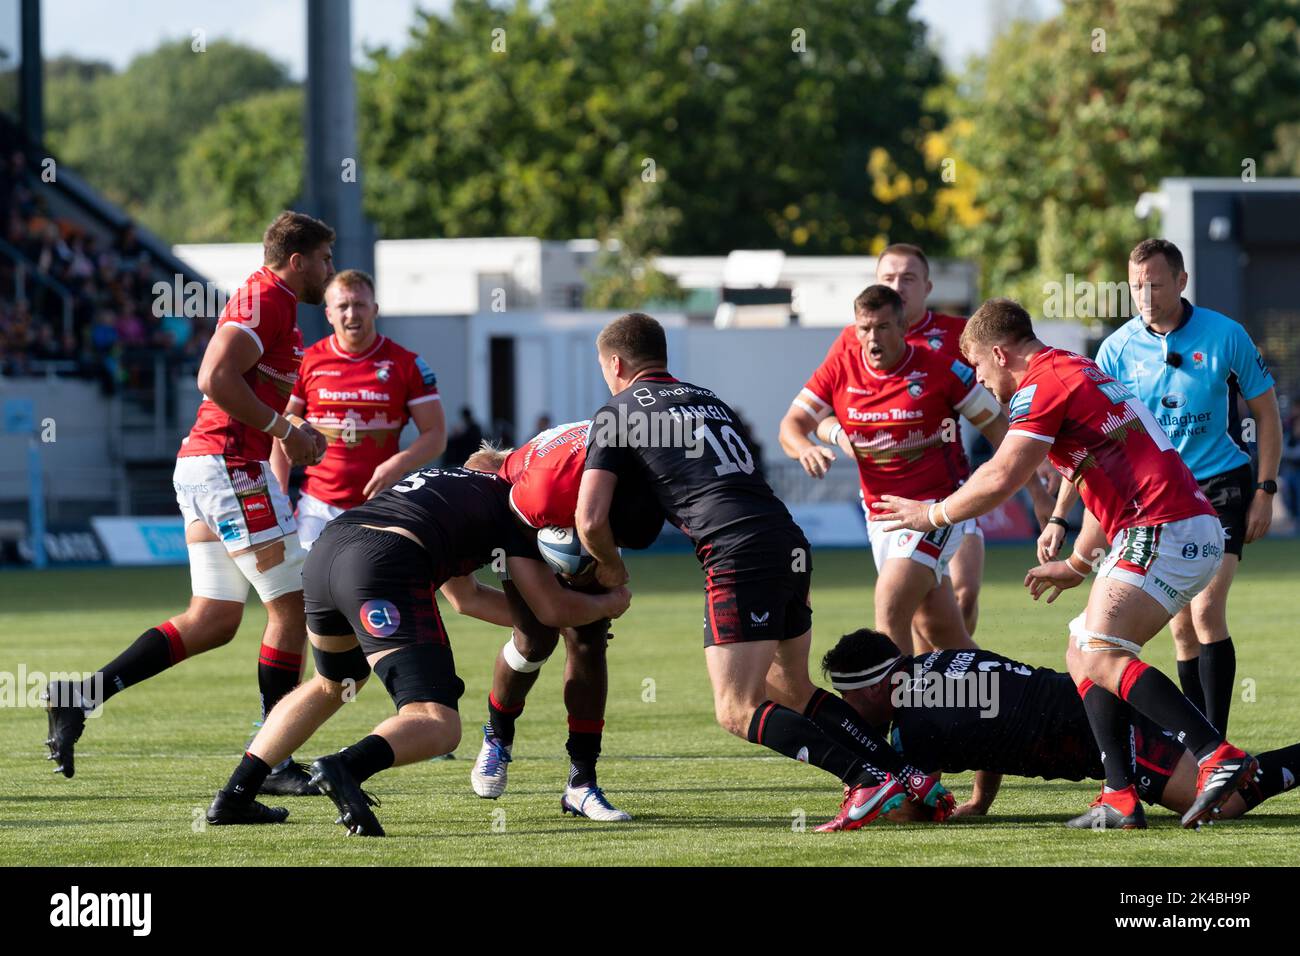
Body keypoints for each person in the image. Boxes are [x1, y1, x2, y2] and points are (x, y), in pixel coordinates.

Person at [871, 297, 1257, 830]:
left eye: (980, 367)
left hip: (1165, 526)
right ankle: (1120, 796)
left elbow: (1002, 474)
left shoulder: (1042, 384)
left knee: (1101, 652)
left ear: (1001, 354)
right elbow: (1098, 473)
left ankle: (1215, 754)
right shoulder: (1072, 369)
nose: (981, 381)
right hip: (1162, 525)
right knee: (1082, 652)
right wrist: (1077, 564)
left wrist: (931, 513)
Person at [575, 312, 953, 831]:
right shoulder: (709, 400)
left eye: (604, 369)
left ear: (615, 364)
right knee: (789, 686)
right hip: (785, 538)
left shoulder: (616, 411)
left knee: (735, 708)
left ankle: (865, 779)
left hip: (736, 553)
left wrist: (612, 569)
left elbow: (590, 518)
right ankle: (905, 775)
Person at [43, 211, 333, 797]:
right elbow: (213, 376)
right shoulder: (266, 296)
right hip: (230, 467)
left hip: (211, 466)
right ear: (297, 260)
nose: (331, 269)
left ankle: (83, 695)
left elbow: (241, 386)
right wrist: (283, 428)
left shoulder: (276, 306)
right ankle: (273, 758)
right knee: (293, 608)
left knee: (214, 619)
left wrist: (289, 427)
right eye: (325, 258)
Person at [204, 466, 631, 836]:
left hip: (329, 554)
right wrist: (604, 606)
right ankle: (345, 767)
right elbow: (549, 606)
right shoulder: (515, 505)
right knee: (437, 721)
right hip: (385, 563)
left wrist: (551, 622)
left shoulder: (447, 483)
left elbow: (467, 598)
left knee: (334, 682)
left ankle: (235, 794)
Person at [1039, 239, 1281, 736]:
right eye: (1135, 287)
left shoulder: (1225, 335)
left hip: (1219, 487)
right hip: (1153, 497)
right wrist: (1060, 517)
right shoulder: (1117, 349)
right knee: (1180, 626)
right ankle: (1198, 741)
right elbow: (1085, 440)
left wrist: (1266, 488)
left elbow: (1267, 414)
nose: (1145, 295)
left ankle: (1217, 743)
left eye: (1155, 283)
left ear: (1181, 281)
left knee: (1206, 608)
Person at [822, 628, 1300, 823]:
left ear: (872, 688)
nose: (849, 709)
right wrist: (981, 801)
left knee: (1228, 803)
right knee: (1227, 783)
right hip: (1102, 699)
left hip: (1116, 736)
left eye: (847, 699)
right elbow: (985, 734)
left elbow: (913, 806)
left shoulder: (912, 726)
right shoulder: (941, 659)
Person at [778, 284, 1009, 655]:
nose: (873, 338)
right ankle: (1008, 699)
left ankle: (898, 710)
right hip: (880, 516)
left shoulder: (940, 369)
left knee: (889, 604)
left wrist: (1031, 488)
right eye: (864, 328)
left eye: (883, 327)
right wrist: (806, 447)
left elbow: (1000, 428)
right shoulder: (841, 366)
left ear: (903, 327)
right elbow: (791, 425)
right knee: (941, 630)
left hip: (934, 510)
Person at [462, 423, 664, 820]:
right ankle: (498, 736)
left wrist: (605, 568)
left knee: (588, 638)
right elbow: (467, 599)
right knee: (535, 640)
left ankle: (581, 784)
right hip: (528, 522)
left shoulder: (634, 457)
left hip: (579, 504)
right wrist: (607, 577)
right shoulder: (526, 494)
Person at [285, 269, 447, 549]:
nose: (352, 314)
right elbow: (282, 421)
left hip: (381, 504)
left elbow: (436, 435)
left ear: (375, 309)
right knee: (304, 590)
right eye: (343, 306)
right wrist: (278, 490)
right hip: (317, 506)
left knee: (372, 589)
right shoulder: (307, 361)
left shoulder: (406, 364)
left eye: (360, 305)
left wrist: (398, 463)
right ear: (329, 315)